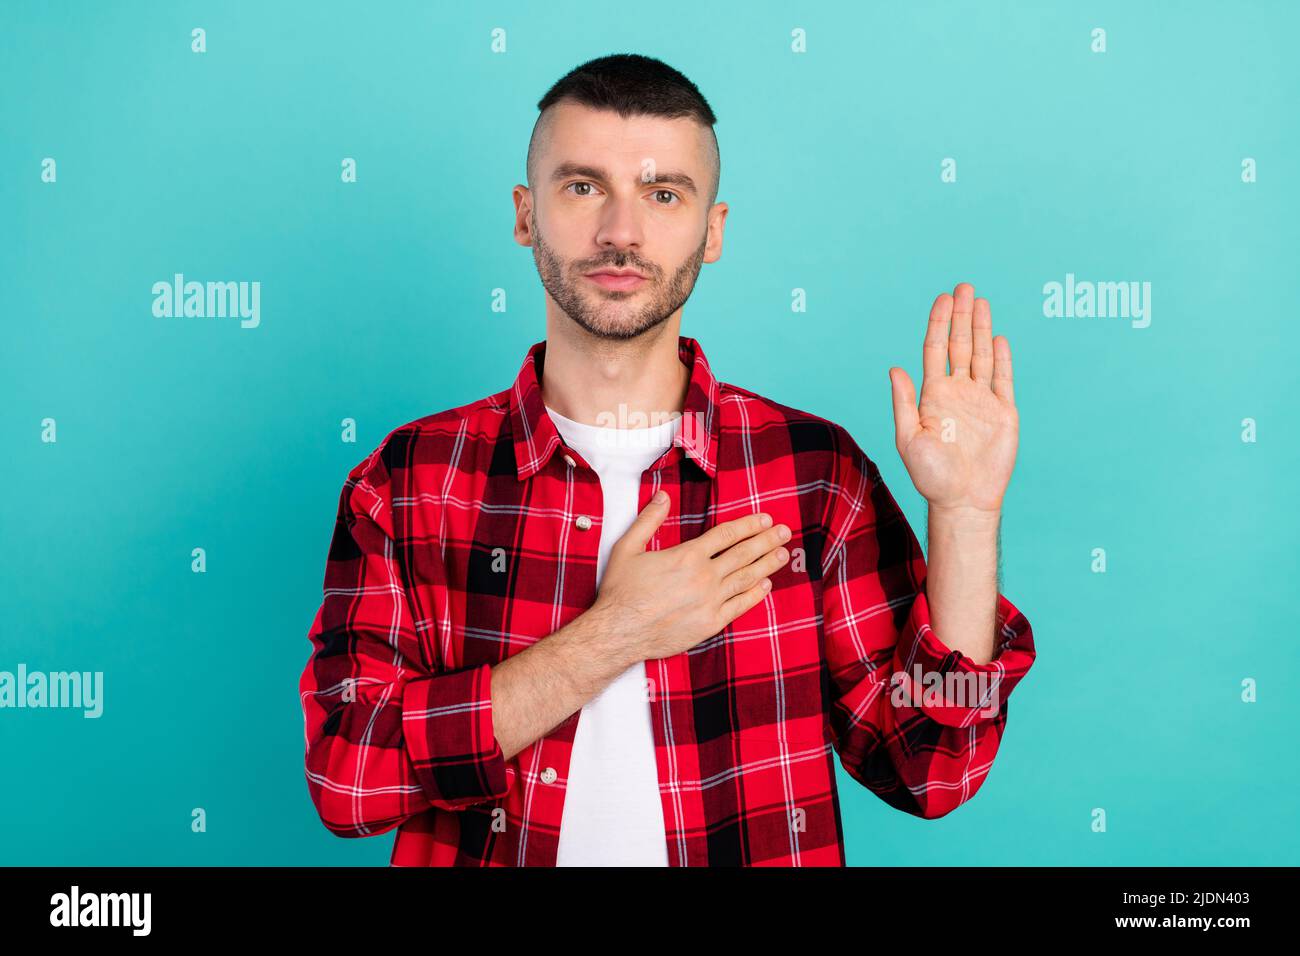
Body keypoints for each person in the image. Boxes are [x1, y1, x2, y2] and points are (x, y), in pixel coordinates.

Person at [298, 53, 1036, 867]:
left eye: (662, 194)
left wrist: (966, 519)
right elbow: (347, 780)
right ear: (524, 215)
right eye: (584, 187)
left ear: (712, 231)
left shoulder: (813, 474)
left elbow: (932, 768)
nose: (621, 232)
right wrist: (611, 636)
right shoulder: (411, 478)